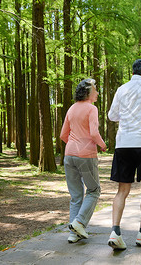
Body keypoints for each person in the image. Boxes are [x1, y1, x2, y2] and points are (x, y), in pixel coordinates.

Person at [107, 59, 141, 250]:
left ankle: (115, 232)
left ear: (133, 72)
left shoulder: (122, 89)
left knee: (122, 189)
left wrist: (129, 116)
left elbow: (112, 116)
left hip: (124, 143)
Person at [60, 78, 107, 243]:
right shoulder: (91, 109)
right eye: (95, 89)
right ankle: (79, 222)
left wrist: (74, 145)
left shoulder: (71, 109)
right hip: (86, 155)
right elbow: (94, 133)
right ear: (88, 92)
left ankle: (73, 233)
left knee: (76, 195)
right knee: (94, 190)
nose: (98, 92)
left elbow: (62, 135)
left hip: (69, 155)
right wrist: (102, 145)